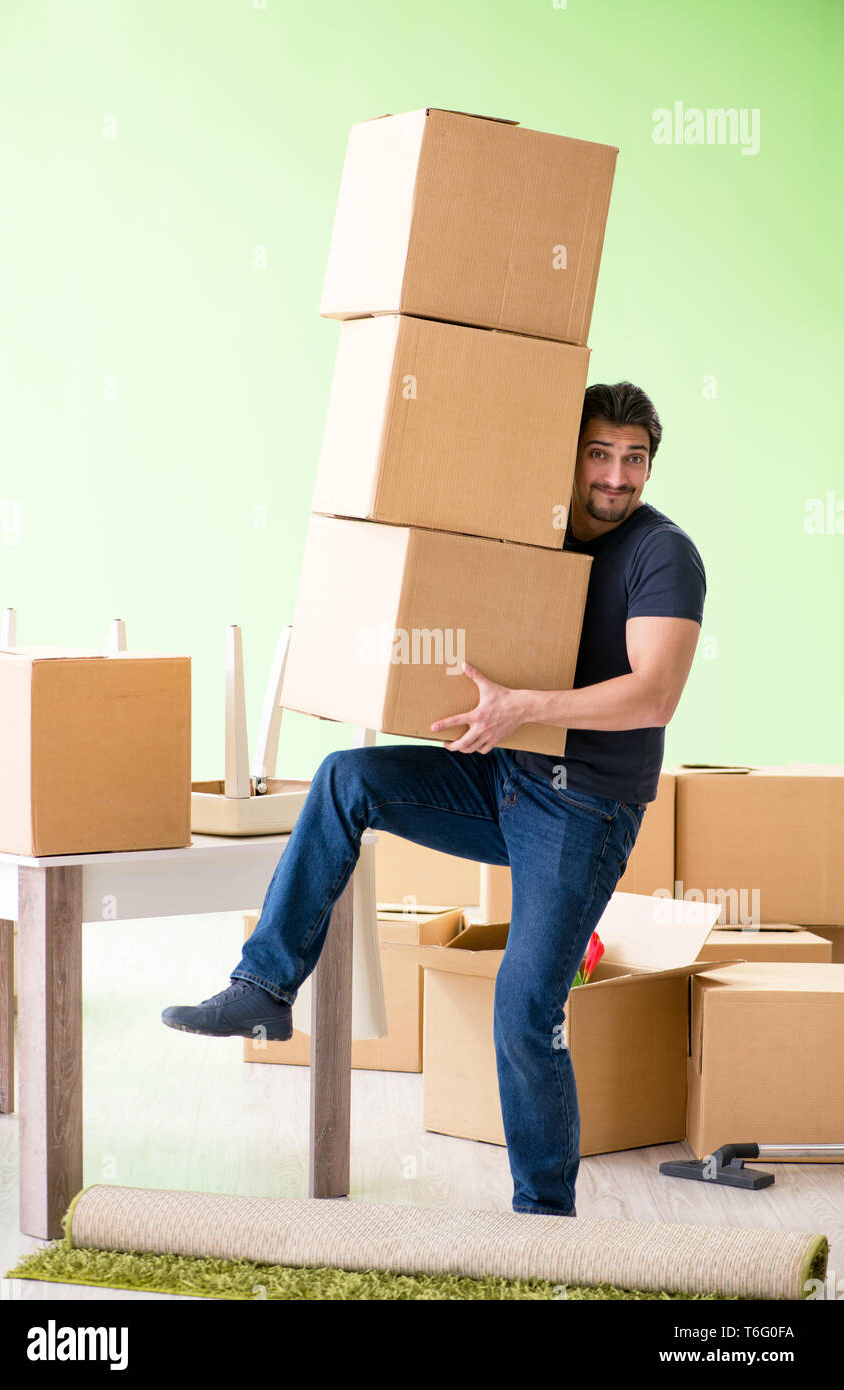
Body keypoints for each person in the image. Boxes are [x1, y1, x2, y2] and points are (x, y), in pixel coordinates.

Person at [162, 380, 707, 1218]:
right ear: (569, 457)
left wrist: (520, 707)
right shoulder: (537, 539)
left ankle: (544, 1217)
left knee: (525, 1007)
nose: (615, 475)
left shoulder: (660, 554)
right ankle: (264, 991)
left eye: (632, 459)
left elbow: (652, 697)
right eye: (599, 453)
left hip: (584, 810)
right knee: (347, 777)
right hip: (503, 777)